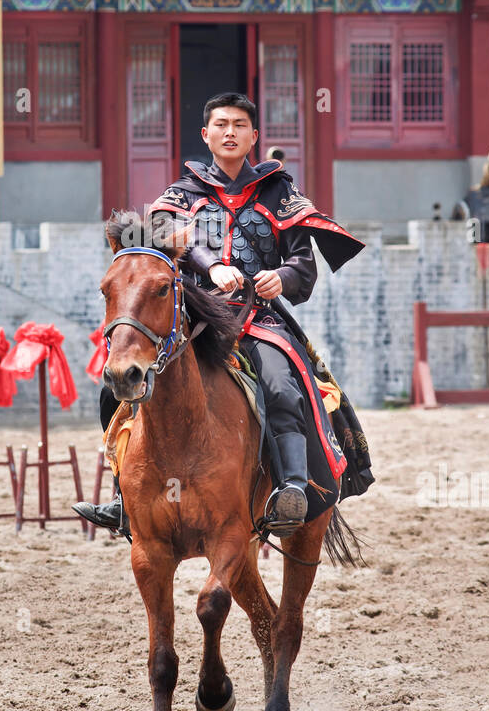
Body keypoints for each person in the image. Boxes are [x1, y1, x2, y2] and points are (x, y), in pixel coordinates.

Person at [73, 91, 372, 539]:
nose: (229, 132)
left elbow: (303, 268)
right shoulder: (180, 194)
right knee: (113, 388)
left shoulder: (280, 192)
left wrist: (281, 278)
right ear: (205, 135)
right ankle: (123, 496)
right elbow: (150, 233)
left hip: (258, 319)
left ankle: (292, 487)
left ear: (253, 136)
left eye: (239, 125)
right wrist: (209, 264)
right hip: (192, 319)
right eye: (221, 125)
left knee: (283, 385)